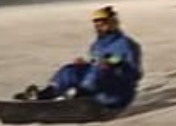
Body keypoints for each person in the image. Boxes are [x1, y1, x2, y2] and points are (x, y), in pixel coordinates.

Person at [15, 6, 143, 109]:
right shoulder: (96, 45)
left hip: (118, 94)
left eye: (103, 23)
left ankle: (79, 95)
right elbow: (95, 66)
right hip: (98, 88)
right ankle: (47, 94)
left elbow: (135, 75)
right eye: (97, 23)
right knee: (70, 70)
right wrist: (85, 65)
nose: (100, 26)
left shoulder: (127, 45)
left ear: (113, 22)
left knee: (99, 69)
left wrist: (116, 65)